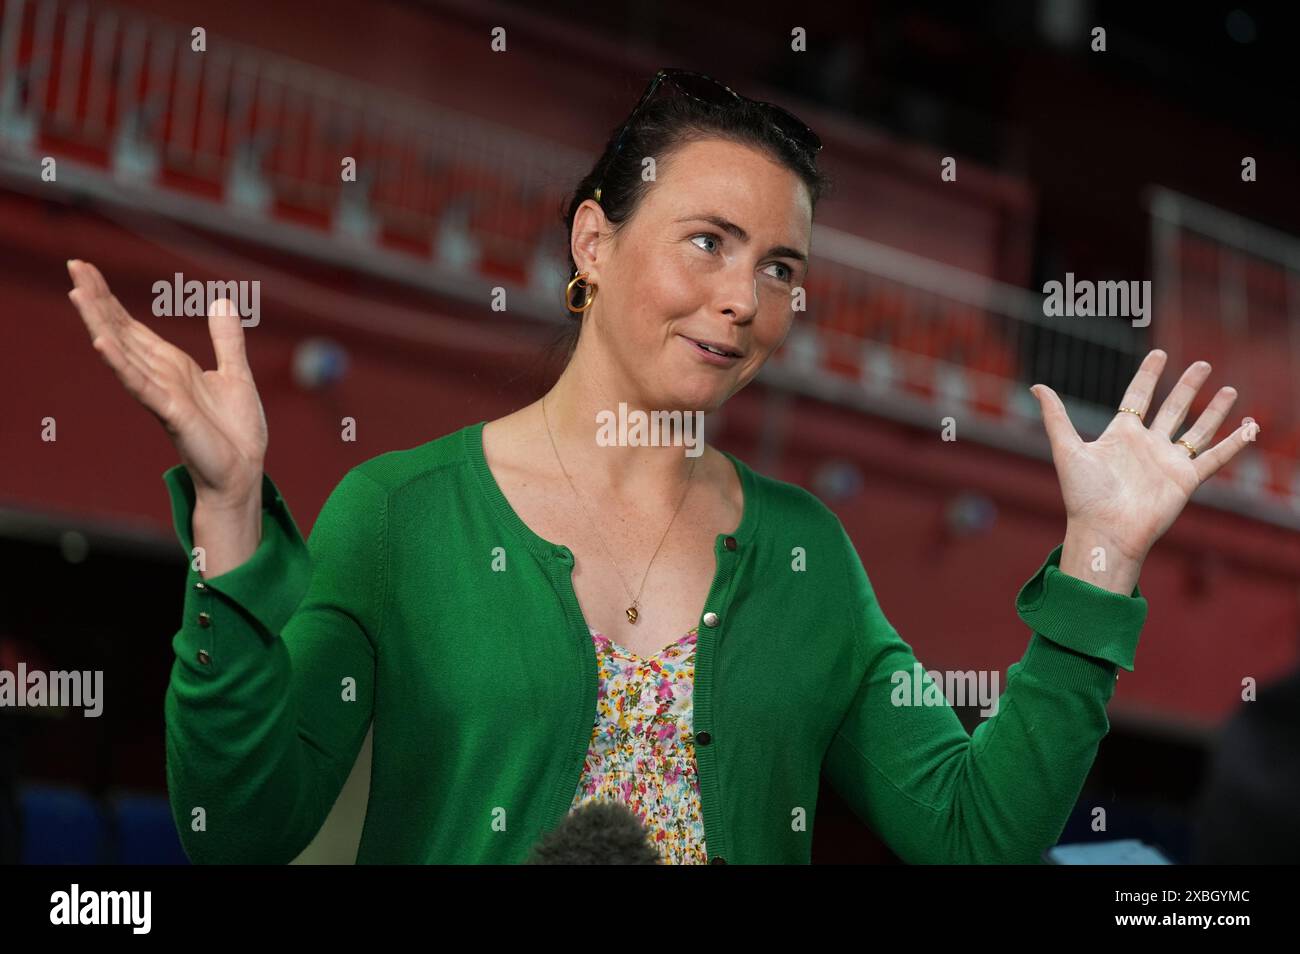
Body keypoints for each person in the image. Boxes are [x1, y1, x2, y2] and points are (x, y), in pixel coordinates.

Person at [65, 68, 1256, 865]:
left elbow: (971, 833)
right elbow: (237, 829)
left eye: (781, 269)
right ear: (593, 240)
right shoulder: (399, 514)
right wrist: (228, 513)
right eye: (709, 242)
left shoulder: (805, 555)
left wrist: (1100, 559)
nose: (743, 300)